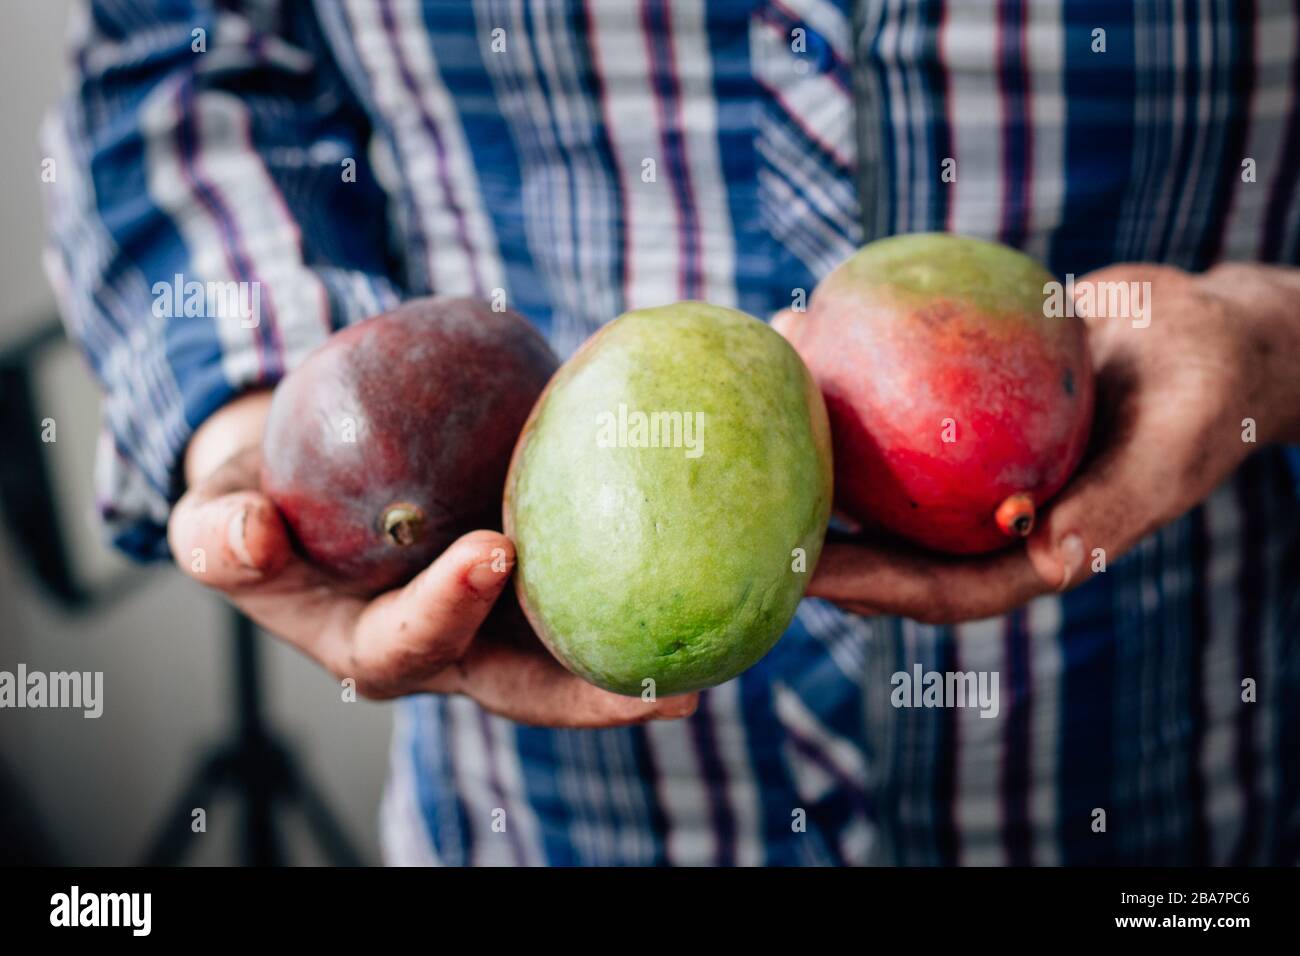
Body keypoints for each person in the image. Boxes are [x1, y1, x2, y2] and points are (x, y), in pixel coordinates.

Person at [45, 0, 1300, 865]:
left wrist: (1277, 342)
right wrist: (264, 421)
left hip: (1172, 791)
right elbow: (176, 63)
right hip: (544, 815)